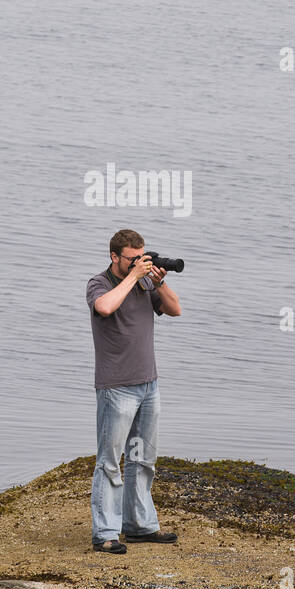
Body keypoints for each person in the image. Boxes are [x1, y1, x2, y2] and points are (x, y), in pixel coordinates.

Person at [86, 229, 182, 553]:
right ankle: (105, 533)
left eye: (141, 256)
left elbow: (175, 309)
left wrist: (158, 281)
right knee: (110, 462)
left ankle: (139, 526)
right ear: (114, 257)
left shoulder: (144, 282)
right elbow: (105, 308)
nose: (137, 263)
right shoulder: (99, 283)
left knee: (143, 459)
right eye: (131, 258)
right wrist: (134, 276)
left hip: (148, 385)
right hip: (116, 388)